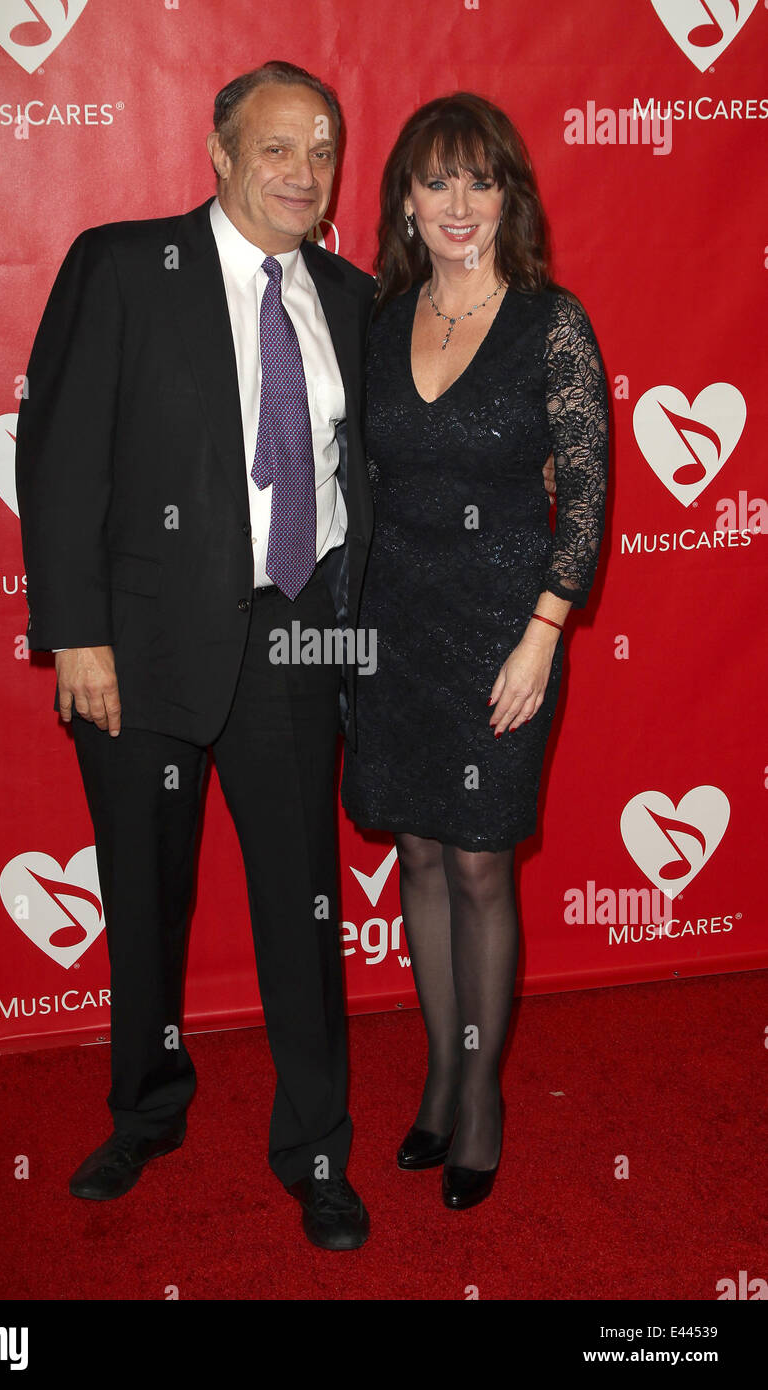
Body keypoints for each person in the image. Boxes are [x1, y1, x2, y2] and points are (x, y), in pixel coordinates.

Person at [15, 61, 377, 1251]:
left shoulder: (354, 293)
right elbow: (62, 458)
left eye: (321, 151)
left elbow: (382, 464)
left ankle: (317, 1147)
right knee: (144, 898)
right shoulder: (124, 267)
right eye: (276, 148)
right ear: (218, 154)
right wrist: (75, 631)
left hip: (294, 643)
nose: (301, 173)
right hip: (142, 648)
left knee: (302, 910)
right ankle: (146, 1108)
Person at [341, 93, 609, 1210]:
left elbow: (587, 496)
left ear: (510, 195)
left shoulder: (552, 320)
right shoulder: (378, 318)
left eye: (480, 180)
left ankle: (483, 1094)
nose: (459, 204)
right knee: (416, 856)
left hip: (505, 628)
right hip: (396, 624)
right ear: (406, 196)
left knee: (482, 861)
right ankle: (442, 1078)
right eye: (437, 181)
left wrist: (542, 634)